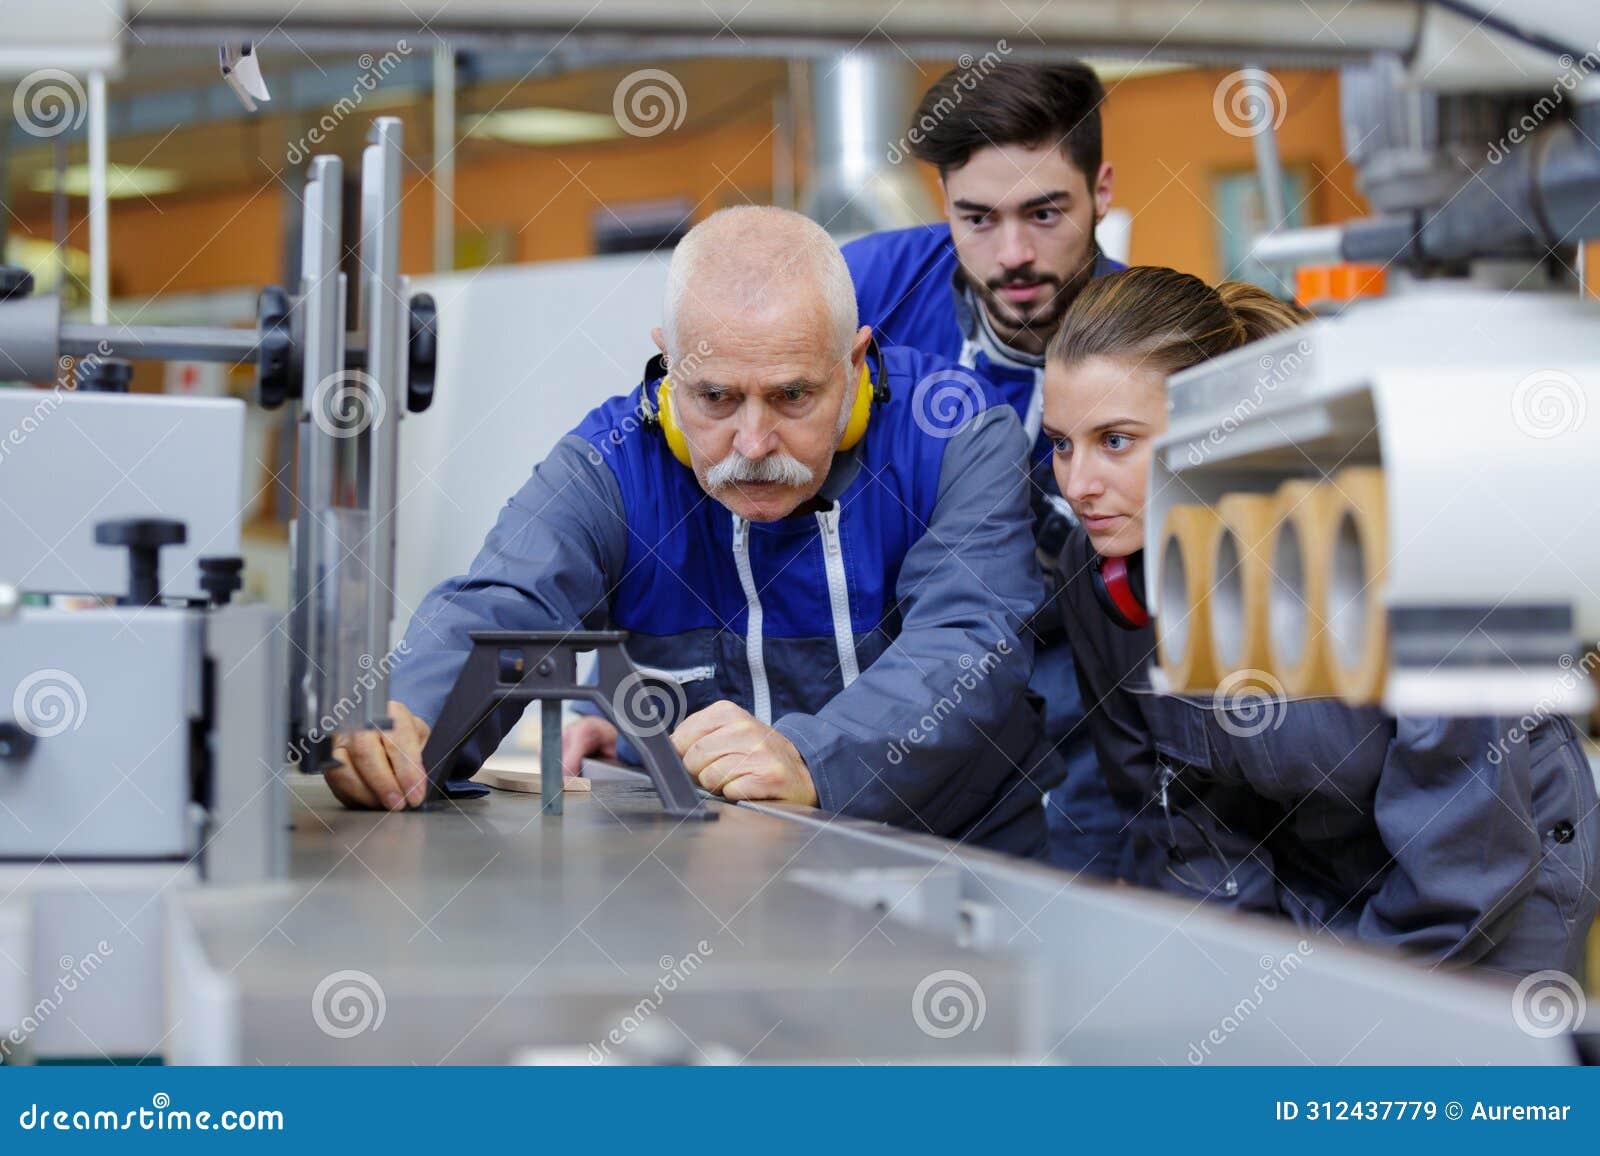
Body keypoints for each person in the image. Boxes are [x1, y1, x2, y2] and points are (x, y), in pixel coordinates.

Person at [328, 205, 1049, 857]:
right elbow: (504, 606)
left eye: (793, 395)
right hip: (723, 882)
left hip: (960, 868)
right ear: (670, 370)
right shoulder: (615, 464)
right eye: (715, 397)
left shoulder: (954, 434)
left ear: (855, 365)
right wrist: (413, 721)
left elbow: (970, 640)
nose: (755, 441)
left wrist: (814, 757)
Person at [1042, 264, 1600, 974]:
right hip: (1318, 884)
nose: (1079, 486)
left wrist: (1357, 1000)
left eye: (1115, 441)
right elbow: (1174, 817)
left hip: (1503, 878)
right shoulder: (1098, 578)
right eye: (1062, 443)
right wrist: (1264, 973)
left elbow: (1467, 854)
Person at [844, 60, 1126, 875]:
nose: (1013, 255)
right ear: (944, 207)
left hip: (1085, 707)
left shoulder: (1153, 348)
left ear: (1100, 190)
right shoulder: (870, 293)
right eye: (978, 219)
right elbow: (710, 451)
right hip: (898, 683)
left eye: (1044, 213)